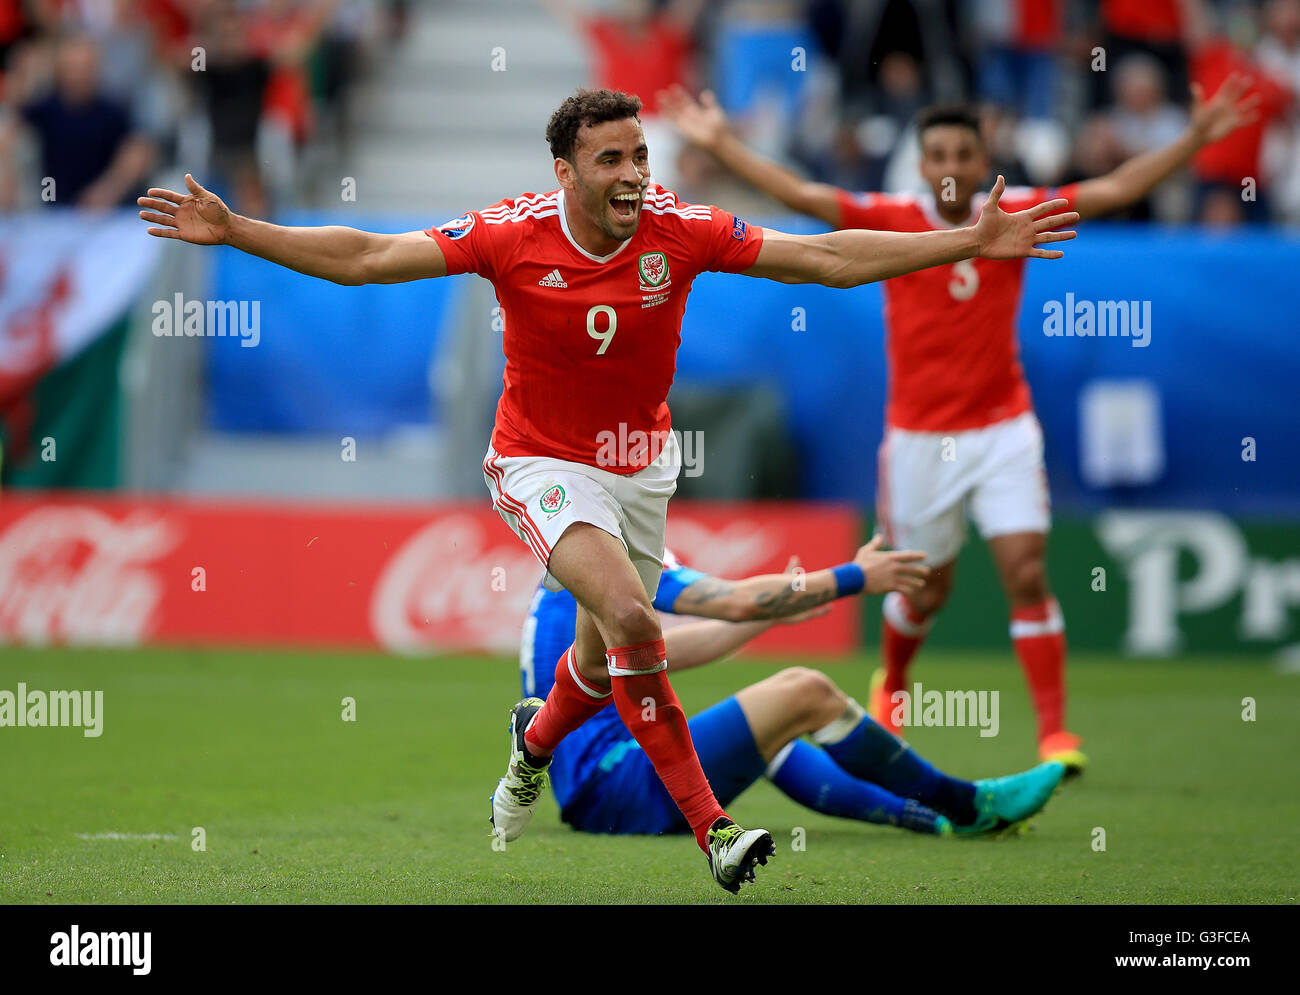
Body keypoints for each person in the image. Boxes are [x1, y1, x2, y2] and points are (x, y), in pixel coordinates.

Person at [137, 87, 1077, 893]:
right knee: (633, 618)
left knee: (596, 656)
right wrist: (237, 231)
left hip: (640, 469)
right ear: (564, 169)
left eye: (640, 155)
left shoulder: (679, 229)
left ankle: (531, 751)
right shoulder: (510, 235)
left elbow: (825, 259)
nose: (634, 175)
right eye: (612, 160)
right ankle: (716, 833)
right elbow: (370, 257)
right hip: (540, 465)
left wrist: (966, 240)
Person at [659, 75, 1258, 773]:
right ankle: (895, 683)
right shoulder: (891, 216)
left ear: (983, 161)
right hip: (919, 441)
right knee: (926, 588)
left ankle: (1056, 736)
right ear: (922, 162)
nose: (948, 167)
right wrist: (723, 144)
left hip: (1004, 427)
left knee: (1027, 570)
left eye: (961, 154)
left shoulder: (1017, 213)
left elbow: (1115, 190)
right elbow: (803, 198)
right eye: (935, 154)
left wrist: (1193, 137)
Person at [520, 542, 1066, 842]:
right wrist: (855, 576)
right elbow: (735, 601)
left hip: (597, 793)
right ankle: (967, 805)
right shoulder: (612, 547)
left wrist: (785, 610)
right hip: (619, 783)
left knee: (774, 736)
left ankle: (932, 818)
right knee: (804, 692)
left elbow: (674, 651)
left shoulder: (574, 552)